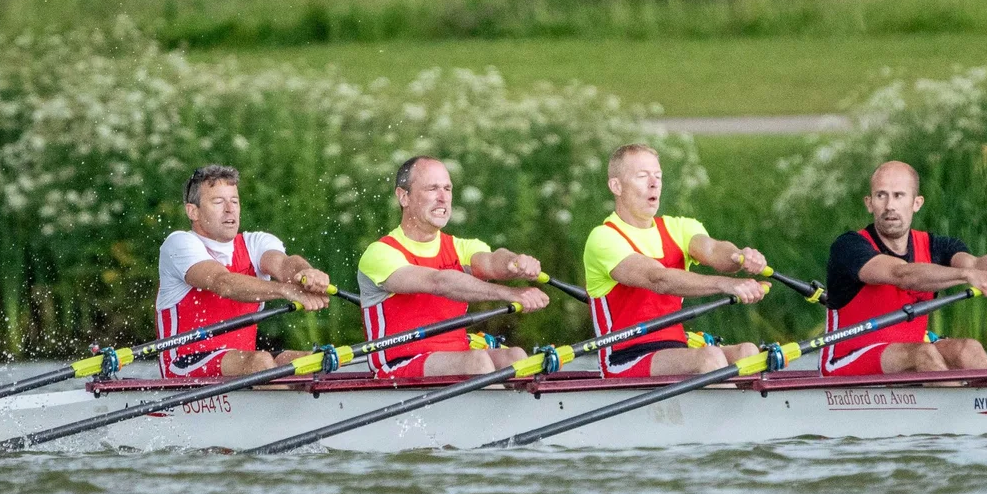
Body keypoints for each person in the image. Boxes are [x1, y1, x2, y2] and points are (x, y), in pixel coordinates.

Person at [822, 160, 987, 377]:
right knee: (924, 354)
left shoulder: (937, 246)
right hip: (847, 359)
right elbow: (901, 274)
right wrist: (966, 275)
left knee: (968, 348)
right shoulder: (849, 246)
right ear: (869, 203)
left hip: (910, 352)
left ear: (916, 203)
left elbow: (976, 263)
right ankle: (955, 405)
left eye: (899, 195)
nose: (890, 205)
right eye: (881, 195)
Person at [583, 143, 768, 378]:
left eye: (658, 176)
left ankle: (747, 412)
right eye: (642, 176)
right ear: (616, 186)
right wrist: (726, 284)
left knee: (749, 353)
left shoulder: (678, 227)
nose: (654, 183)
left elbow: (713, 250)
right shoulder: (603, 238)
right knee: (710, 357)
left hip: (676, 349)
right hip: (625, 358)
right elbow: (658, 278)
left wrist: (740, 257)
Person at [357, 156, 550, 377]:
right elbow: (439, 282)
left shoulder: (459, 247)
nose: (442, 198)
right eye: (432, 189)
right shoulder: (381, 253)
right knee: (477, 362)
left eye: (447, 189)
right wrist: (510, 293)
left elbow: (492, 261)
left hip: (456, 357)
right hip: (398, 364)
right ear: (404, 197)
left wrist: (515, 262)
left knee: (515, 357)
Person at [155, 165, 331, 378]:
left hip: (241, 365)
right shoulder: (179, 244)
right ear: (193, 211)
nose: (230, 209)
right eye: (218, 202)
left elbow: (286, 265)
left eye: (235, 201)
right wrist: (286, 291)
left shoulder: (256, 242)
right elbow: (223, 283)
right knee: (260, 361)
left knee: (311, 362)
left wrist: (307, 274)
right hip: (184, 366)